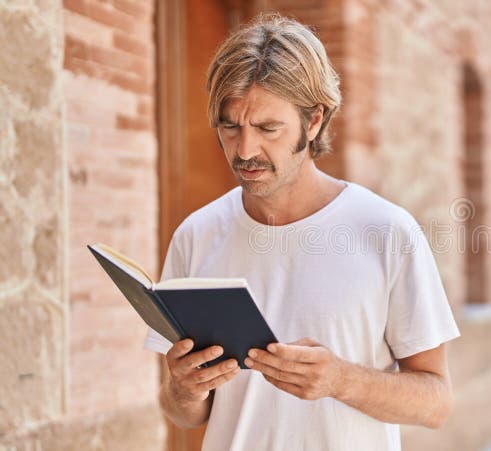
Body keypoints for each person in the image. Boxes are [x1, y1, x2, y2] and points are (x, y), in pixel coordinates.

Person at [143, 16, 460, 451]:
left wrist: (340, 380)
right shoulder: (195, 235)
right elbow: (184, 414)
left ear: (314, 122)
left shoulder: (387, 231)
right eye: (230, 126)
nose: (245, 150)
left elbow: (436, 403)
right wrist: (185, 388)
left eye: (268, 129)